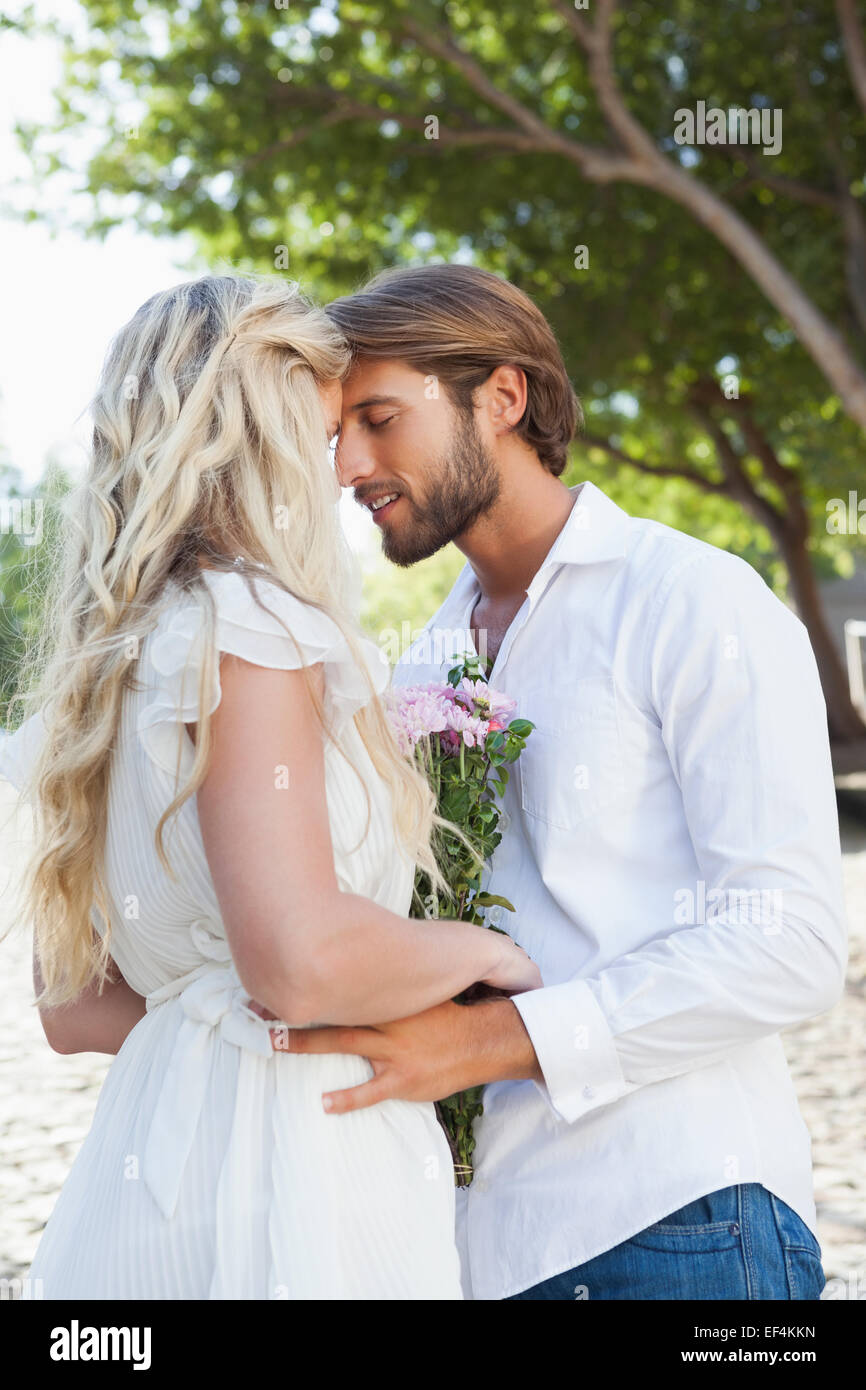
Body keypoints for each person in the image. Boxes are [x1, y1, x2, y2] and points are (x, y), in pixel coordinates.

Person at [275, 262, 848, 1301]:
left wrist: (483, 1041)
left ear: (501, 397)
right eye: (333, 434)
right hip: (474, 1247)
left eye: (378, 418)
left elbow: (790, 943)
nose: (347, 465)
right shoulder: (419, 654)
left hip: (677, 1224)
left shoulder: (691, 601)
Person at [0, 272, 540, 1300]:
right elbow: (298, 960)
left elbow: (73, 1007)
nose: (344, 465)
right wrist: (487, 953)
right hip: (302, 1161)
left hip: (153, 1167)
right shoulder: (251, 628)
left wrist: (235, 1000)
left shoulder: (106, 669)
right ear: (254, 432)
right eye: (324, 425)